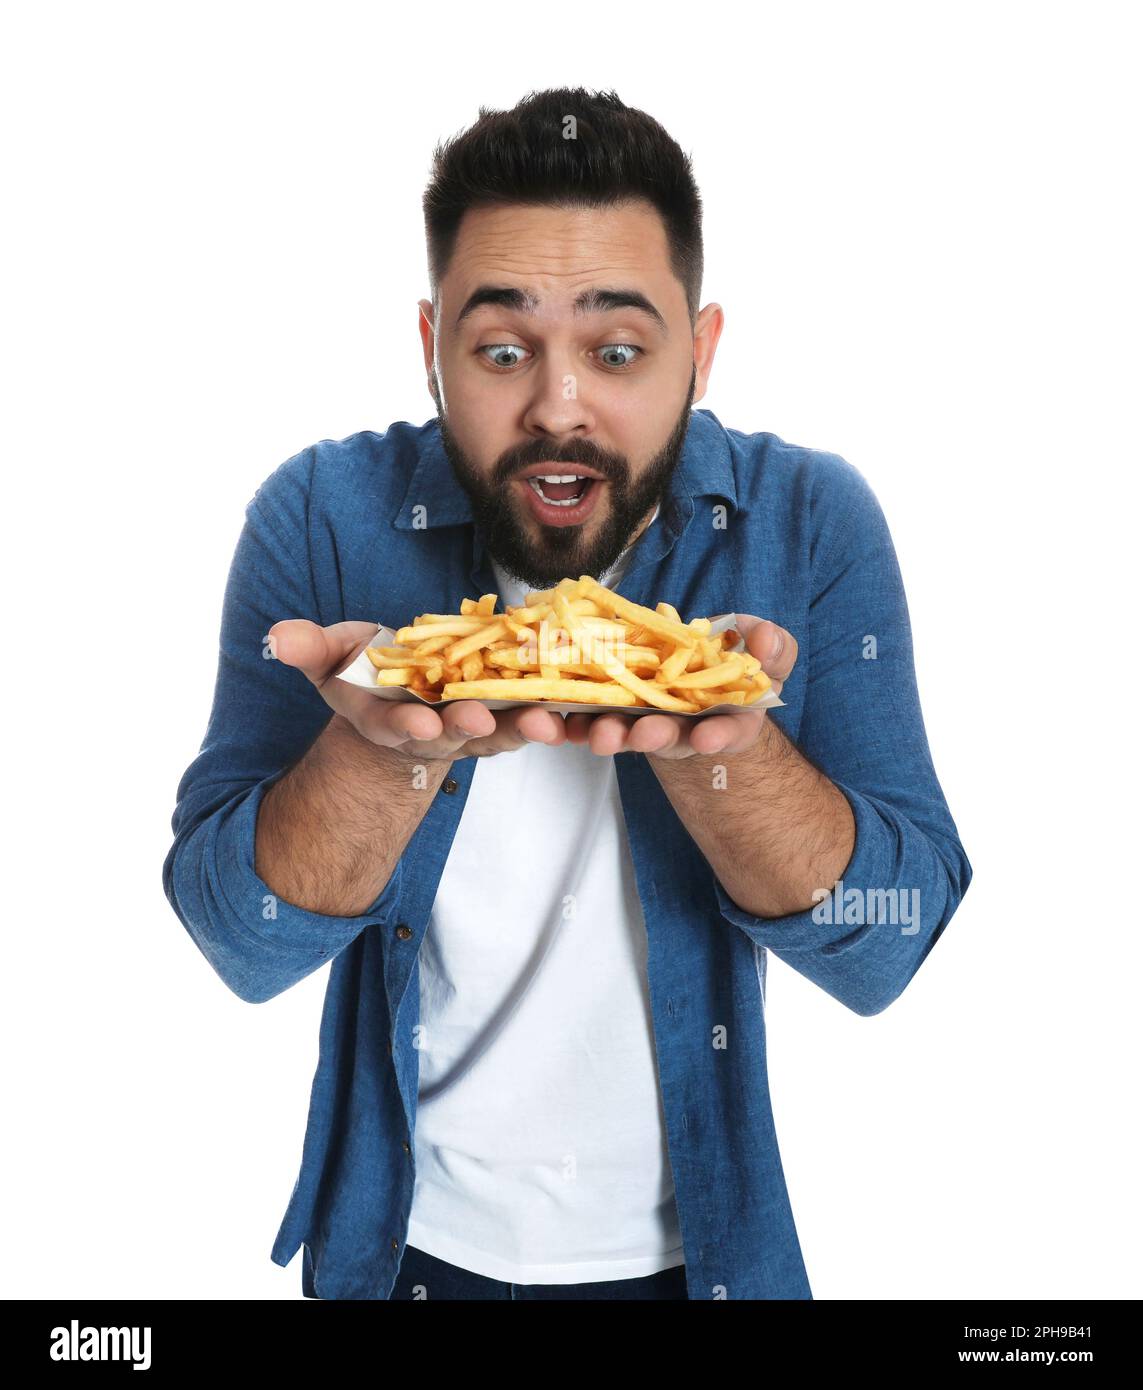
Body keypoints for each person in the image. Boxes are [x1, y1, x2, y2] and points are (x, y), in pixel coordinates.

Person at [162, 87, 972, 1301]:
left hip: (705, 1264)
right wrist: (383, 752)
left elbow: (895, 940)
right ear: (431, 346)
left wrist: (722, 751)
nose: (556, 405)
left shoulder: (809, 523)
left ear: (700, 354)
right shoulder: (323, 517)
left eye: (618, 350)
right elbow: (235, 937)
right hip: (402, 1254)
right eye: (500, 350)